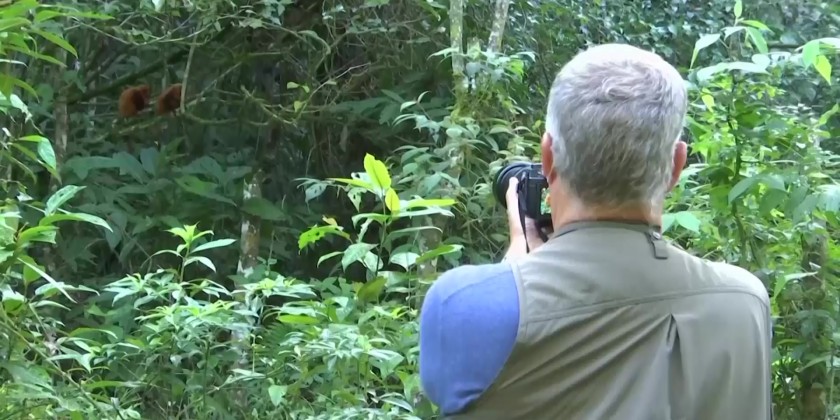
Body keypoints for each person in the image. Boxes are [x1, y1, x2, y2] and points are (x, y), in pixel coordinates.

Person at [418, 43, 773, 420]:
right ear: (675, 166)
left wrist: (515, 276)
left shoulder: (465, 303)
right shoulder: (745, 301)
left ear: (548, 157)